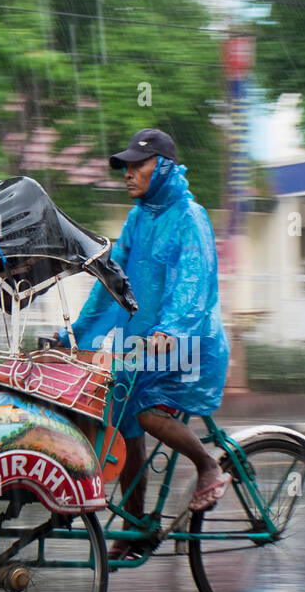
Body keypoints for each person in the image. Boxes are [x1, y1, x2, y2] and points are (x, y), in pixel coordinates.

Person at [54, 128, 230, 556]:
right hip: (147, 344)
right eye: (125, 167)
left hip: (190, 342)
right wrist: (74, 334)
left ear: (164, 168)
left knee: (147, 411)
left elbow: (192, 283)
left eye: (137, 165)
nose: (128, 174)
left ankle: (209, 467)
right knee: (120, 411)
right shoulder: (138, 218)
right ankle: (136, 528)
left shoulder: (191, 217)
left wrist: (170, 331)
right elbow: (112, 283)